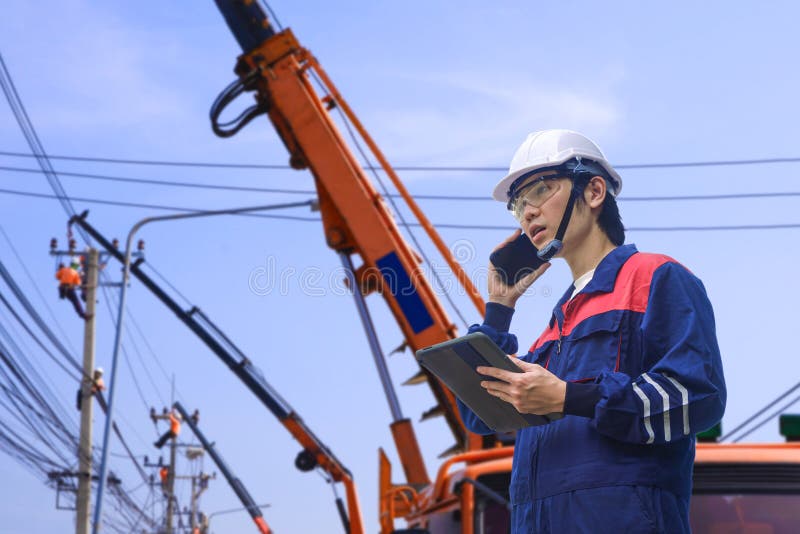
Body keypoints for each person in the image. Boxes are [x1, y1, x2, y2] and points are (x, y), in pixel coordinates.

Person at [457, 129, 726, 533]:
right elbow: (478, 417)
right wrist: (499, 308)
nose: (528, 212)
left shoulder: (655, 277)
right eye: (518, 205)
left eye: (541, 190)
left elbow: (698, 396)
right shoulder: (553, 330)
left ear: (595, 191)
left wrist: (569, 396)